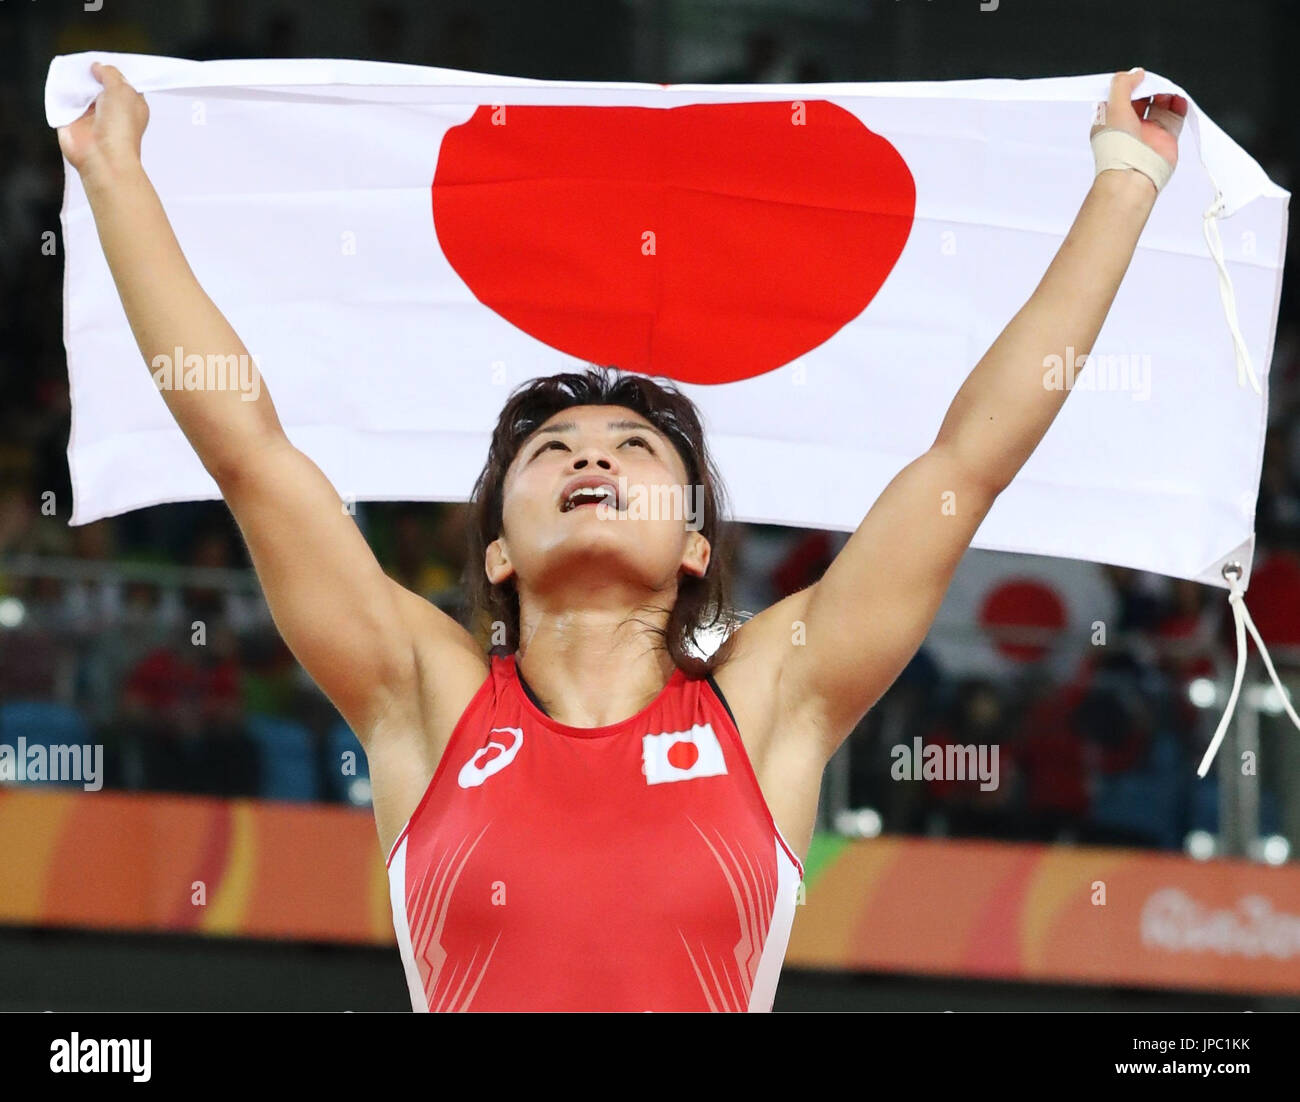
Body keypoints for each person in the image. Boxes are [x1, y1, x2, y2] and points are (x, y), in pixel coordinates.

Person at [56, 62, 1184, 1011]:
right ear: (496, 550)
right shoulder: (426, 696)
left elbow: (965, 462)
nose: (590, 458)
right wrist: (113, 174)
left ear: (696, 544)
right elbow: (248, 452)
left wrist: (1125, 182)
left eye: (634, 450)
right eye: (551, 453)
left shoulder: (766, 703)